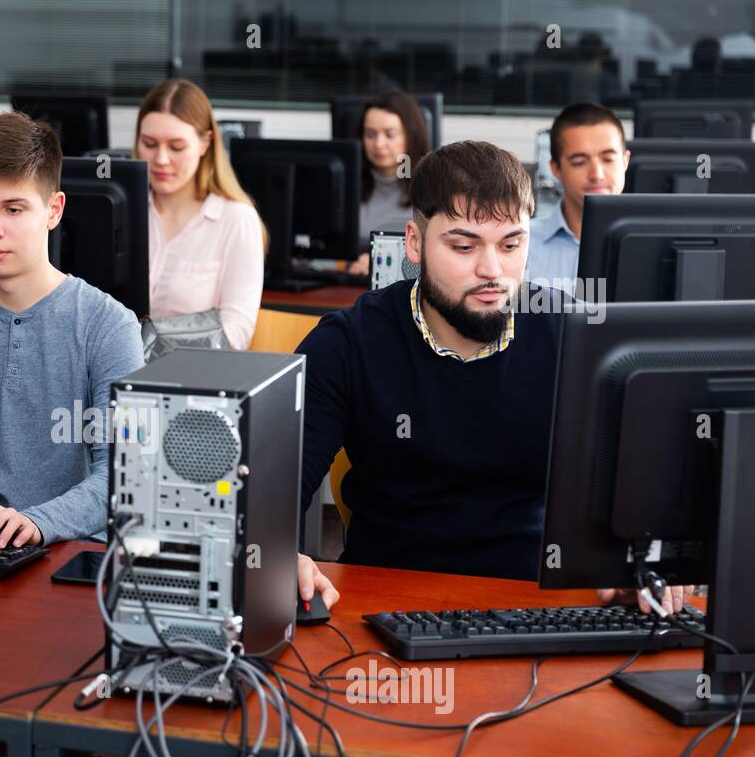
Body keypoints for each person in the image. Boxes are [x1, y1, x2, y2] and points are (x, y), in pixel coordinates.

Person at [293, 140, 691, 616]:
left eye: (511, 244)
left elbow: (638, 482)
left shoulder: (575, 335)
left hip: (536, 600)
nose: (492, 271)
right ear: (415, 243)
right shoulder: (348, 342)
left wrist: (637, 565)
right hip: (383, 599)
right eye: (464, 246)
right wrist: (279, 554)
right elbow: (276, 488)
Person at [0, 112, 145, 549]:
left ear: (53, 211)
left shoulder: (110, 326)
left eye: (13, 209)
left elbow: (121, 474)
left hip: (73, 551)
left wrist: (37, 521)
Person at [133, 79, 266, 350]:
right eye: (149, 143)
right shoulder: (123, 209)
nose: (161, 159)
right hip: (110, 373)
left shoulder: (236, 220)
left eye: (177, 147)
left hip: (189, 376)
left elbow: (236, 331)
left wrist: (149, 347)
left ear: (205, 143)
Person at [527, 102, 630, 288]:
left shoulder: (656, 245)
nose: (597, 175)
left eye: (608, 159)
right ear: (556, 169)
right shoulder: (521, 244)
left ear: (625, 161)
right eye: (579, 162)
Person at [348, 90, 430, 279]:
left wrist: (378, 261)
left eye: (390, 134)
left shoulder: (431, 189)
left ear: (411, 137)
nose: (378, 144)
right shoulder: (346, 188)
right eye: (370, 134)